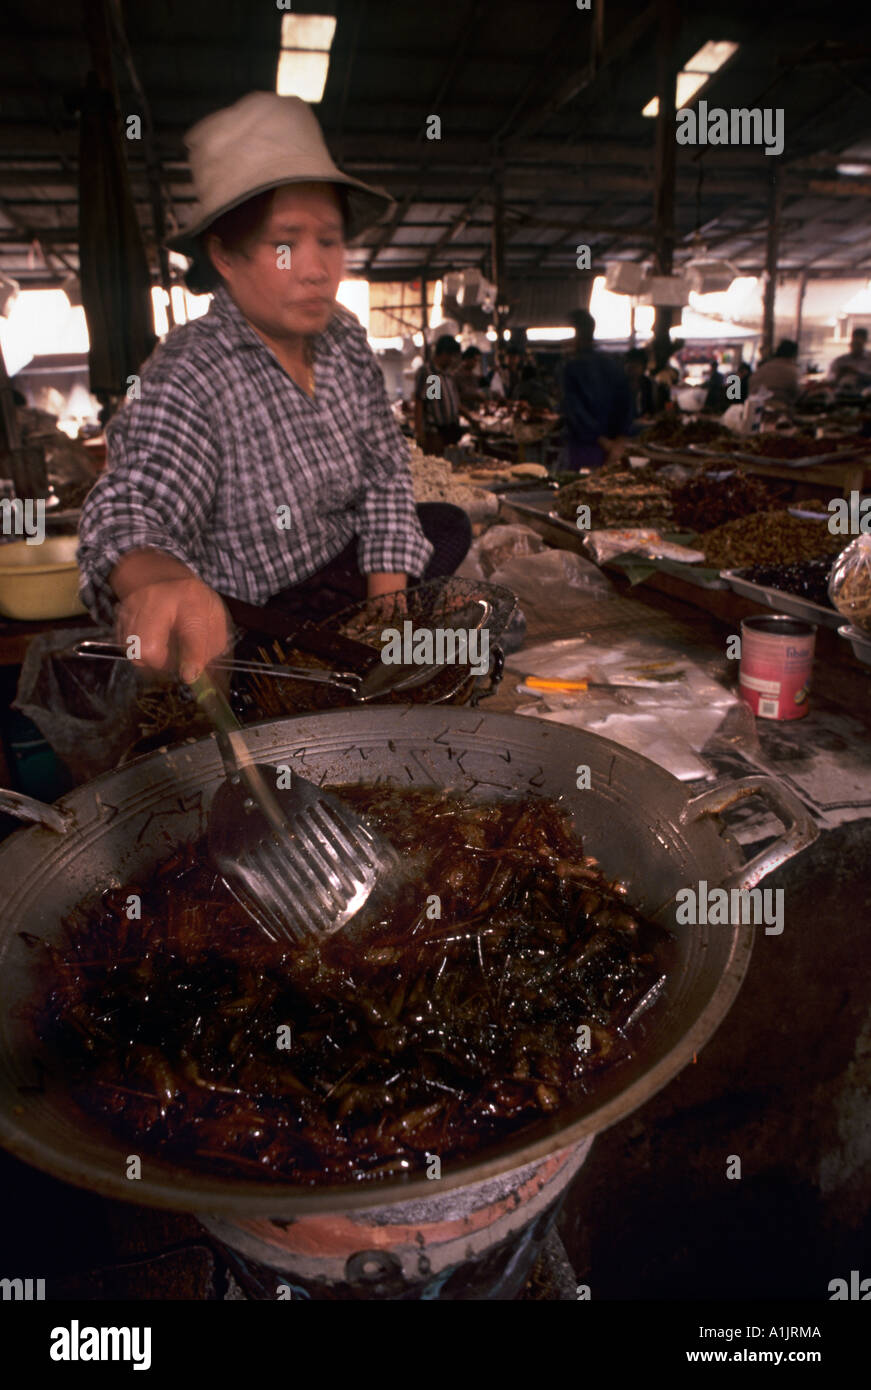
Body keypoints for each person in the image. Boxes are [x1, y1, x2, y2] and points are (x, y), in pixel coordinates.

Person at [77, 92, 471, 683]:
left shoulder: (343, 338)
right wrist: (156, 579)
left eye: (330, 241)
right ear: (226, 256)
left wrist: (388, 599)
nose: (316, 269)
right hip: (255, 613)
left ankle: (355, 640)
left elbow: (385, 467)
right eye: (285, 243)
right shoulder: (189, 372)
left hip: (338, 575)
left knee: (446, 524)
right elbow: (130, 506)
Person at [560, 310, 634, 469]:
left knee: (582, 490)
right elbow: (627, 405)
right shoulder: (613, 364)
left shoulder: (571, 368)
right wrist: (619, 442)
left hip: (586, 448)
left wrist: (603, 442)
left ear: (577, 335)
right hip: (615, 448)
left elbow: (575, 411)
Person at [413, 334, 465, 456]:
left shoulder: (446, 374)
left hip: (450, 431)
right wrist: (419, 432)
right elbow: (421, 403)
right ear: (444, 354)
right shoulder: (432, 374)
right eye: (453, 357)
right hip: (436, 433)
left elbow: (439, 400)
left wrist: (471, 419)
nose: (454, 361)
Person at [749, 339, 800, 405]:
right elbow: (796, 392)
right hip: (778, 408)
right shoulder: (791, 369)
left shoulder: (765, 367)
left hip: (754, 405)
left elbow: (751, 383)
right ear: (793, 354)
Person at [623, 348, 656, 417]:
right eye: (628, 363)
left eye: (636, 364)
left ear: (643, 367)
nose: (630, 367)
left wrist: (648, 415)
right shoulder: (619, 384)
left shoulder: (647, 383)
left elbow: (651, 408)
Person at [453, 345, 488, 410]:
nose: (476, 363)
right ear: (467, 358)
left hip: (474, 412)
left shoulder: (474, 376)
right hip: (462, 413)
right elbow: (454, 396)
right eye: (474, 360)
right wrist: (473, 397)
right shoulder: (456, 375)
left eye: (477, 361)